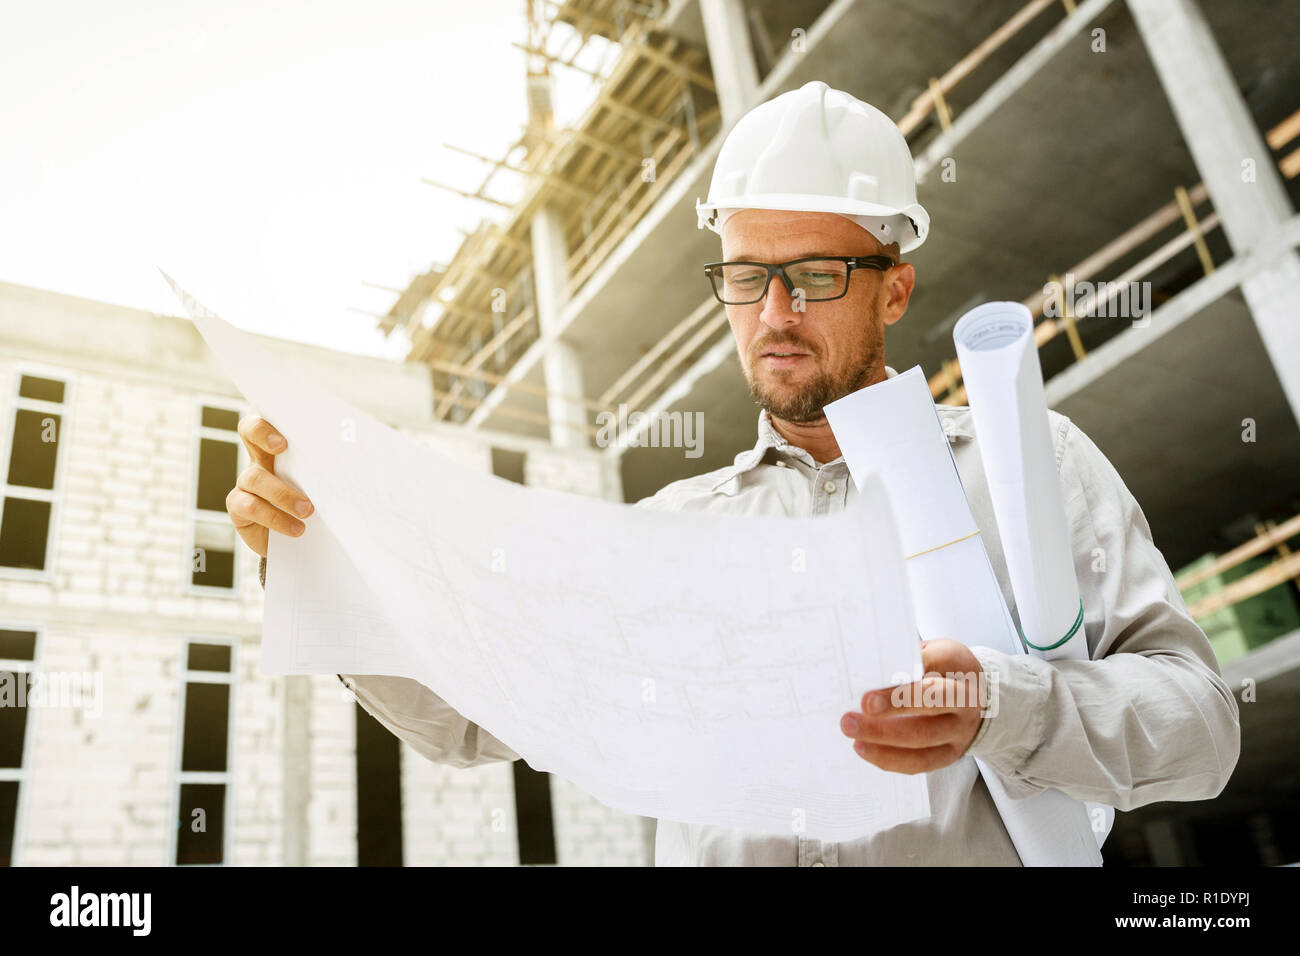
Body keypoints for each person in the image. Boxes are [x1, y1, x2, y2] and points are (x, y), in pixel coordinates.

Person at [226, 81, 1240, 865]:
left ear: (894, 288)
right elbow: (473, 712)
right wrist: (319, 565)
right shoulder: (674, 529)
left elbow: (1198, 726)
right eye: (747, 275)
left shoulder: (1032, 468)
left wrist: (1002, 706)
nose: (774, 312)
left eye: (814, 274)